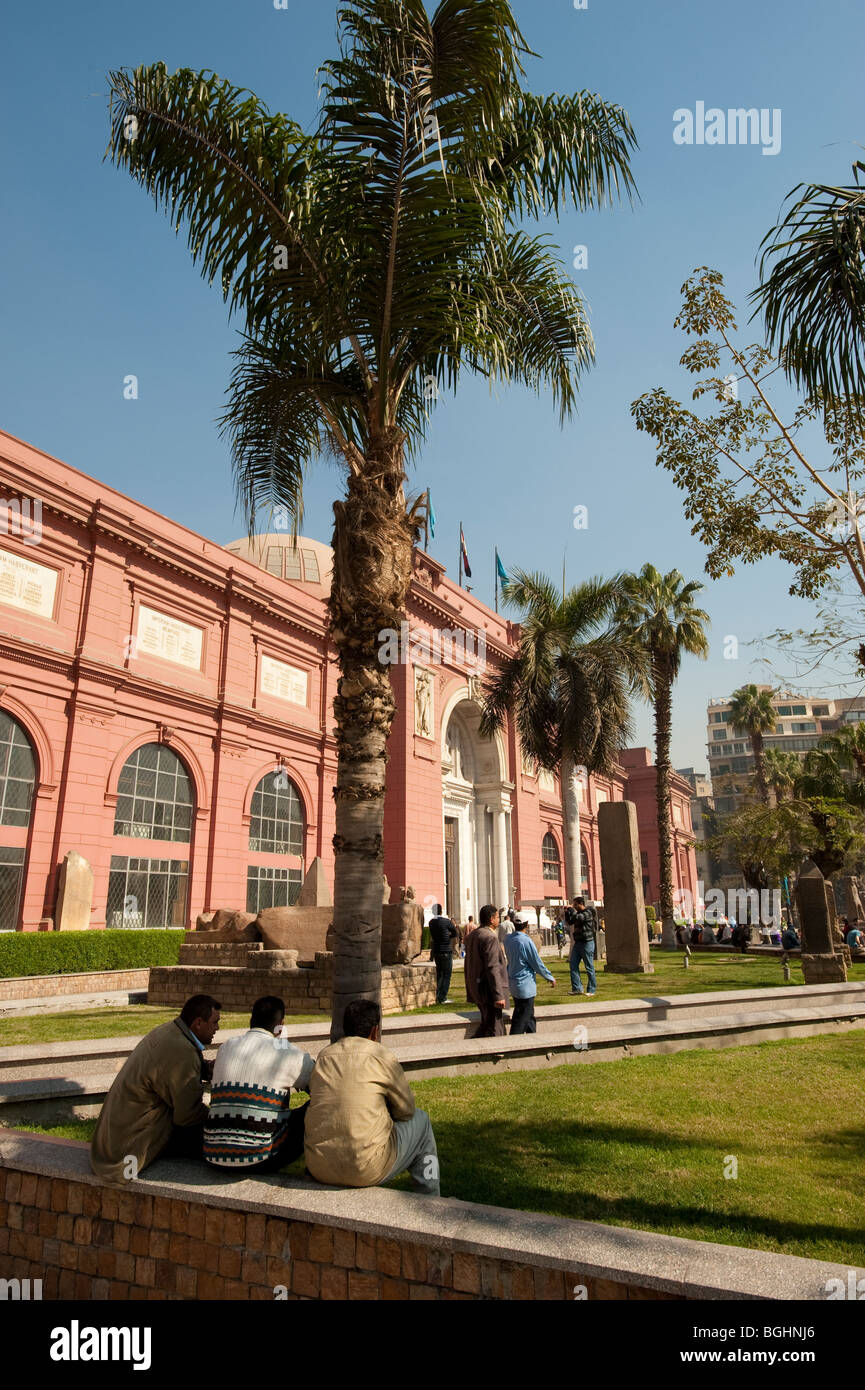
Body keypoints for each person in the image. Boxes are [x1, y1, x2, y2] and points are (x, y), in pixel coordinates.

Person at [304, 999, 440, 1196]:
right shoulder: (382, 1056)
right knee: (423, 1122)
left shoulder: (324, 1056)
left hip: (318, 1167)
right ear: (375, 1031)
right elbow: (407, 1110)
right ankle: (430, 1198)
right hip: (366, 1168)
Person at [90, 994, 220, 1182]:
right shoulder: (182, 1051)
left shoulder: (171, 1031)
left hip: (111, 1138)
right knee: (221, 1140)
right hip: (129, 1145)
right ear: (198, 1023)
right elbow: (187, 1117)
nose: (217, 1028)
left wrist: (205, 1069)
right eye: (214, 1022)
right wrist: (220, 1119)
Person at [203, 995, 313, 1172]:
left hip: (213, 1153)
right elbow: (318, 1083)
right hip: (261, 1159)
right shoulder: (288, 1053)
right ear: (281, 1024)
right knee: (311, 1107)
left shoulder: (226, 1046)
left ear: (251, 1020)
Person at [505, 915, 556, 1034]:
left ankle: (533, 1039)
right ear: (526, 925)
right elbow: (536, 962)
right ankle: (513, 1044)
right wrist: (549, 977)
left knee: (529, 1016)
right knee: (522, 1017)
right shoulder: (526, 941)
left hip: (513, 982)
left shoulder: (508, 939)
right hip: (525, 984)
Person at [464, 903, 509, 1036]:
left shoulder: (474, 935)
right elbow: (493, 967)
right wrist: (498, 995)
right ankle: (497, 1052)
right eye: (497, 917)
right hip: (488, 991)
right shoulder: (490, 937)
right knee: (494, 1026)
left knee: (487, 1024)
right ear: (491, 919)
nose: (498, 920)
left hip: (477, 987)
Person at [428, 903, 458, 1004]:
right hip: (446, 950)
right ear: (441, 911)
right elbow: (455, 932)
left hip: (437, 950)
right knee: (446, 975)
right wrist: (447, 937)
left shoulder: (431, 922)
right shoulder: (446, 922)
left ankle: (438, 995)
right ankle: (443, 997)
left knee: (439, 974)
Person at [567, 896, 597, 997]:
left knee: (589, 967)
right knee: (573, 965)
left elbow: (578, 918)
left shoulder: (589, 912)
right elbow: (570, 921)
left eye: (575, 904)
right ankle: (577, 988)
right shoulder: (578, 913)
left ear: (581, 903)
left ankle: (591, 989)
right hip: (578, 943)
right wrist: (567, 912)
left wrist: (571, 910)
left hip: (587, 943)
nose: (574, 906)